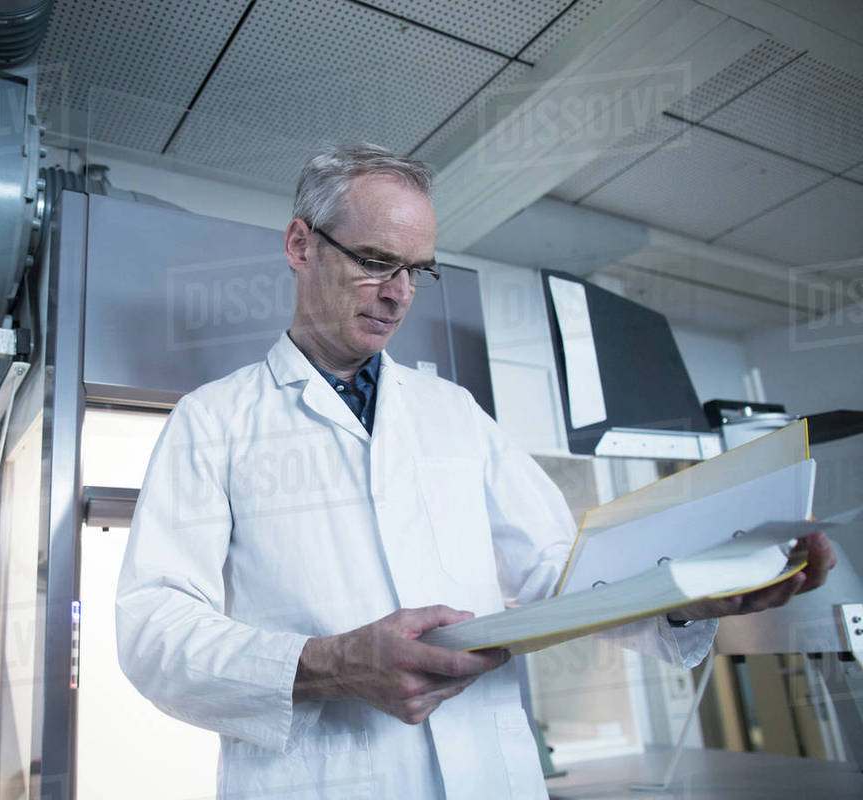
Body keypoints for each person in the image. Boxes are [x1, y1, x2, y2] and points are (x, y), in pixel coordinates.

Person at [115, 144, 836, 799]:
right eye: (374, 261)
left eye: (417, 270)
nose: (399, 293)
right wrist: (331, 663)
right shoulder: (214, 422)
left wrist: (684, 596)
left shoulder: (452, 413)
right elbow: (153, 632)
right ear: (301, 245)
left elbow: (561, 573)